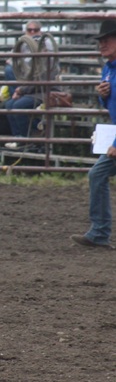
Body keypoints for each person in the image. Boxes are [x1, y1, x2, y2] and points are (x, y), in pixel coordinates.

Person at [71, 20, 116, 249]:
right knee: (97, 174)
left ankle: (100, 232)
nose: (101, 45)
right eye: (100, 41)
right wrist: (102, 95)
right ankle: (99, 232)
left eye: (106, 40)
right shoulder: (109, 68)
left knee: (97, 174)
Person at [3, 21, 60, 151]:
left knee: (18, 106)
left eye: (36, 30)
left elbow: (40, 80)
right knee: (9, 105)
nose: (33, 32)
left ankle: (26, 138)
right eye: (30, 30)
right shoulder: (26, 51)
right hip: (32, 91)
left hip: (44, 92)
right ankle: (19, 136)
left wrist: (20, 90)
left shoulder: (48, 58)